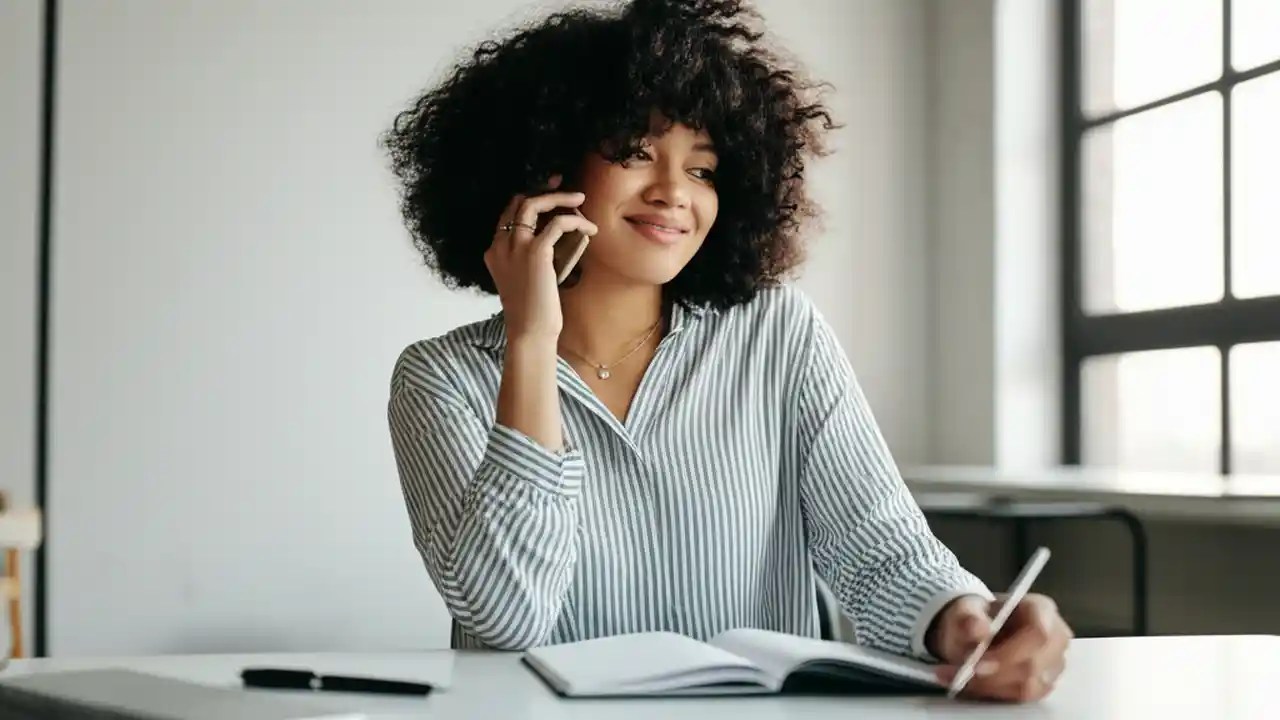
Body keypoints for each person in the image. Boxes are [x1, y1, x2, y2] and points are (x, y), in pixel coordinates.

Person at [382, 0, 1071, 702]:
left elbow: (877, 545)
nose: (675, 193)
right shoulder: (440, 379)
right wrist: (531, 339)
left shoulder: (777, 333)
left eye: (705, 170)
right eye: (637, 153)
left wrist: (963, 618)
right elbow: (506, 619)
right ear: (545, 170)